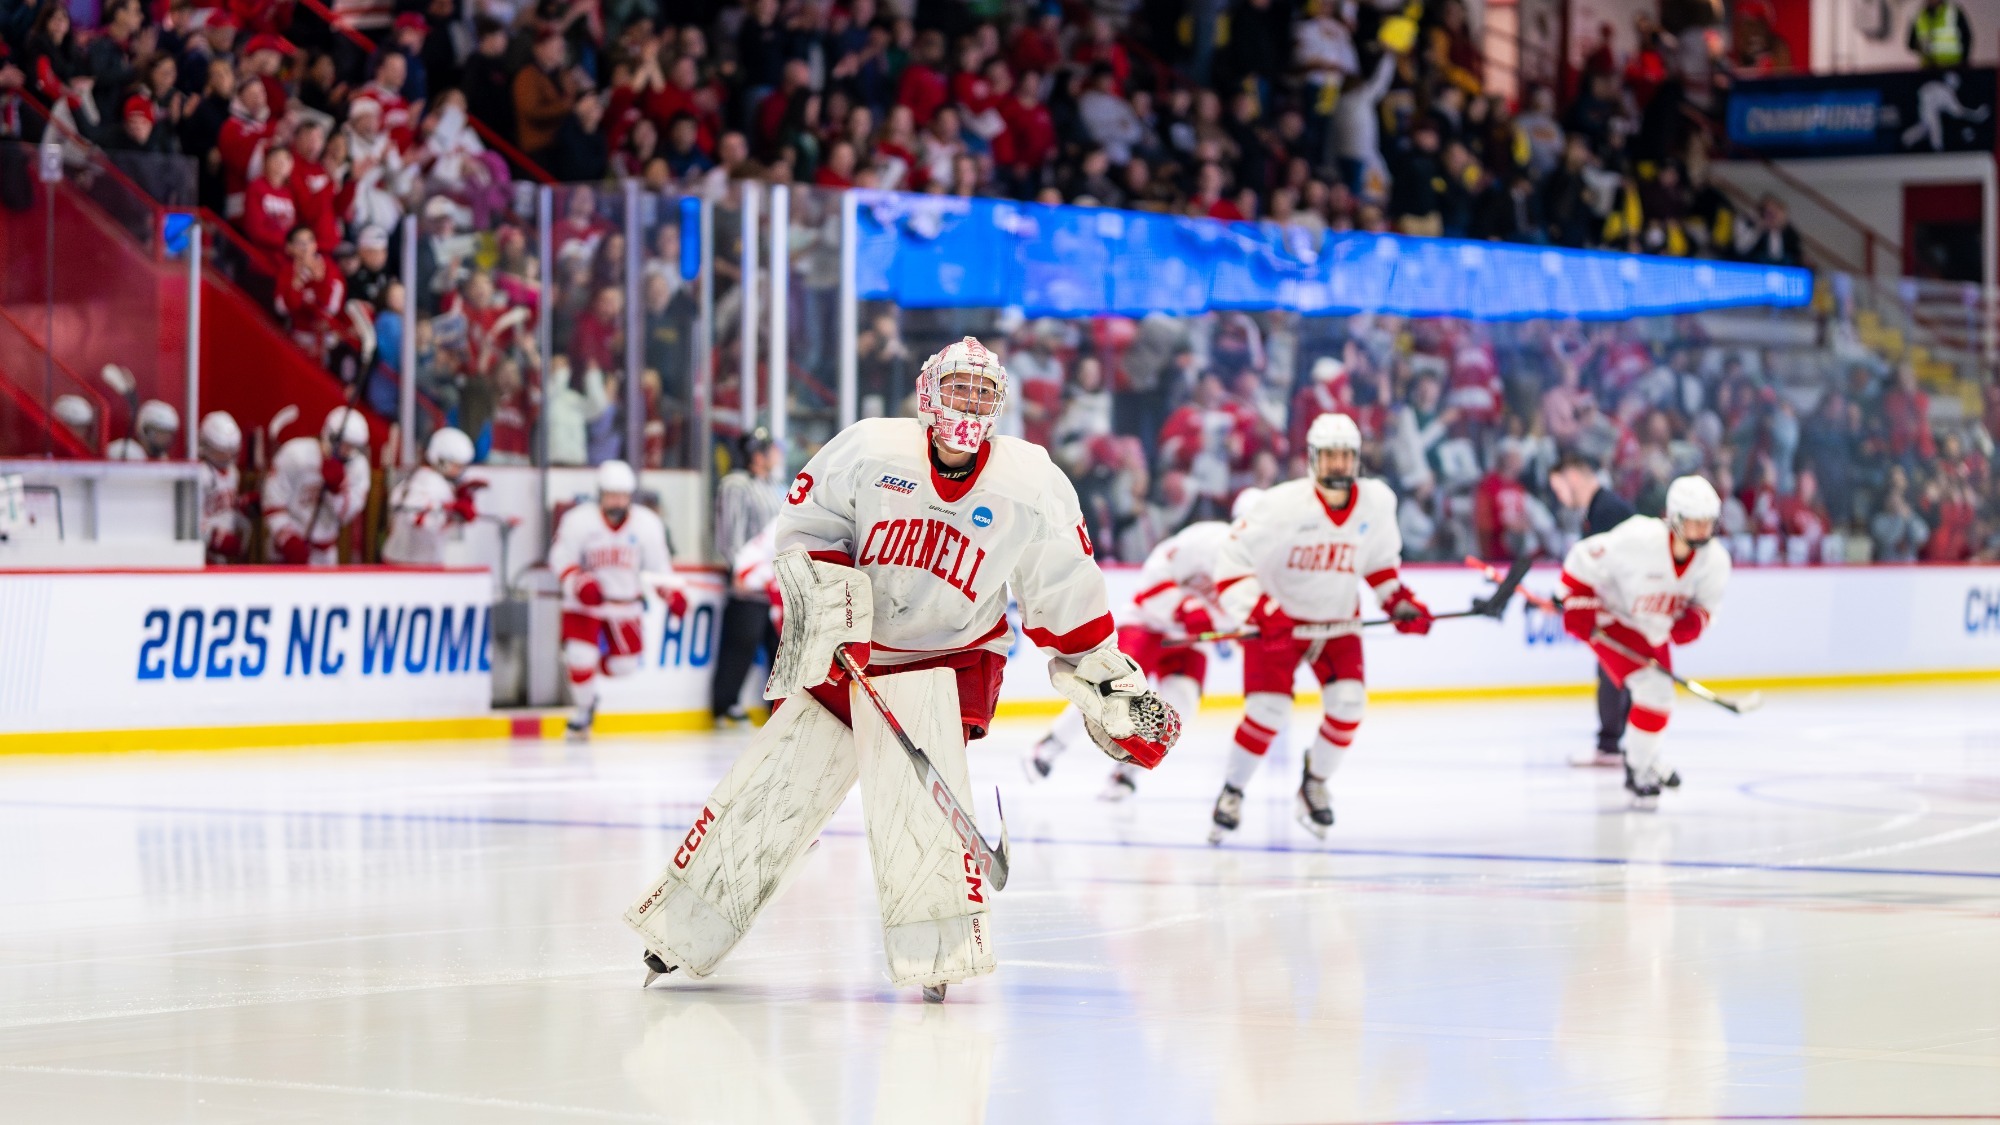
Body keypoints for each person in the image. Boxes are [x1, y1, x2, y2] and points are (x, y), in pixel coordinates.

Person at [625, 336, 1179, 1002]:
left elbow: (1067, 598)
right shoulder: (867, 449)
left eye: (982, 393)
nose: (969, 406)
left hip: (951, 660)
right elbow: (807, 528)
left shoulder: (1031, 483)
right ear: (927, 394)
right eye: (958, 390)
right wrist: (832, 615)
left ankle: (936, 948)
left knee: (920, 814)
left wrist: (1111, 689)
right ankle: (684, 927)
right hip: (852, 652)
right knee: (775, 794)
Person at [1208, 412, 1434, 844]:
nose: (1336, 465)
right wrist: (1258, 609)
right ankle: (1232, 790)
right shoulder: (1279, 505)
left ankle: (1315, 782)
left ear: (1356, 460)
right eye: (1328, 456)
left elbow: (1379, 564)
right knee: (1267, 712)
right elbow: (1230, 562)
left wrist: (1398, 601)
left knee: (1349, 704)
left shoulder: (1377, 502)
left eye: (1344, 457)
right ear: (1313, 458)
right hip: (1278, 623)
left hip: (1337, 622)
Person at [1025, 487, 1266, 800]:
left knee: (1183, 702)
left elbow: (1245, 621)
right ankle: (1050, 746)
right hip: (1149, 623)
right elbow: (1156, 571)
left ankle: (1128, 771)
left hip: (1189, 642)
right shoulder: (1206, 540)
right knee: (1110, 692)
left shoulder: (1261, 574)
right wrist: (1184, 607)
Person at [1559, 475, 1731, 806]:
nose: (1702, 531)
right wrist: (1576, 601)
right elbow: (1583, 556)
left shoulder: (1715, 560)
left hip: (1654, 627)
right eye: (1694, 523)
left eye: (1707, 523)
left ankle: (1648, 758)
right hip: (1614, 618)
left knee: (1659, 700)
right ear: (1674, 518)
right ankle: (1638, 768)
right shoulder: (1639, 537)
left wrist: (1693, 623)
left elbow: (1707, 606)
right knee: (1655, 694)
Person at [549, 460, 685, 741]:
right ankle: (583, 711)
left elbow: (659, 566)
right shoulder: (578, 520)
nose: (617, 502)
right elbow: (560, 556)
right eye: (611, 495)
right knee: (580, 655)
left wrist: (672, 592)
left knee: (625, 667)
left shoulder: (647, 524)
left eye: (622, 496)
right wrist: (579, 581)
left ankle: (585, 678)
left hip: (625, 604)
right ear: (600, 493)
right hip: (585, 603)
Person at [1547, 452, 1636, 768]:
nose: (1559, 498)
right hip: (1624, 606)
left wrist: (1564, 598)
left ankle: (1610, 746)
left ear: (1573, 477)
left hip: (1624, 608)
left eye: (1558, 488)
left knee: (1613, 671)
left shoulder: (1606, 510)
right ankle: (1616, 743)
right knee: (1618, 673)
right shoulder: (1603, 508)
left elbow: (1599, 566)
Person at [709, 428, 783, 726]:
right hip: (749, 584)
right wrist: (740, 570)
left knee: (779, 648)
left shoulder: (772, 485)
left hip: (773, 583)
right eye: (770, 449)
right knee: (741, 641)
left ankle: (778, 705)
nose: (777, 453)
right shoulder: (736, 485)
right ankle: (725, 705)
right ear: (757, 455)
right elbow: (730, 533)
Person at [263, 407, 371, 565]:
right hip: (286, 550)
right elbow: (273, 499)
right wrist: (287, 538)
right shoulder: (295, 454)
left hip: (324, 556)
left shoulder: (357, 467)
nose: (347, 451)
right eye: (344, 444)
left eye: (353, 446)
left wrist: (337, 490)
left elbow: (347, 514)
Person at [381, 427, 480, 565]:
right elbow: (416, 517)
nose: (460, 472)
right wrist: (451, 510)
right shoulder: (429, 482)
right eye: (457, 466)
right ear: (443, 462)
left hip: (411, 561)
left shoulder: (424, 478)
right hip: (412, 565)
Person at [197, 411, 246, 563]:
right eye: (221, 452)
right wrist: (213, 538)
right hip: (203, 553)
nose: (226, 457)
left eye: (230, 452)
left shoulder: (233, 473)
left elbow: (227, 509)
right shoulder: (200, 474)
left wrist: (243, 506)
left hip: (225, 555)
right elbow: (191, 519)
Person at [107, 400, 180, 460]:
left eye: (168, 434)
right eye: (160, 432)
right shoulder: (123, 451)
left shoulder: (162, 459)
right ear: (145, 431)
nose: (165, 438)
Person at [1910, 0, 1973, 68]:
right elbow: (1911, 43)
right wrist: (1920, 45)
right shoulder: (1919, 15)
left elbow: (1966, 37)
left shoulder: (1952, 12)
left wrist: (1964, 62)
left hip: (1953, 65)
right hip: (1929, 68)